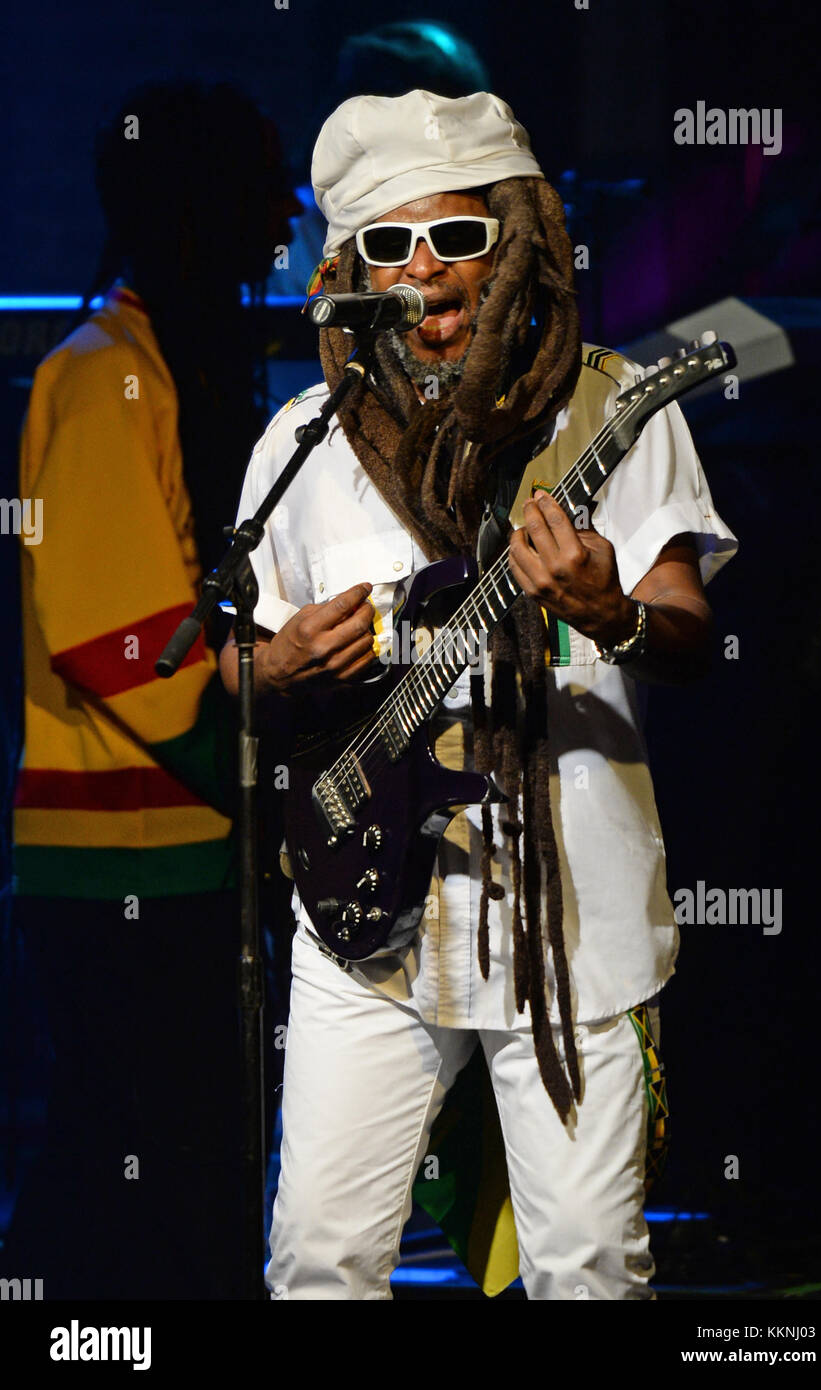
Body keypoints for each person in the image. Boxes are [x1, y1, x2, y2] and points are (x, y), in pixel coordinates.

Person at [220, 89, 738, 1300]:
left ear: (513, 250)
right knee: (316, 1259)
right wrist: (281, 664)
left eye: (459, 238)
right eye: (392, 244)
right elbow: (234, 669)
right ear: (350, 272)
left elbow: (689, 636)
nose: (429, 272)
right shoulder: (301, 443)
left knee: (586, 1270)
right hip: (365, 922)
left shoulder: (608, 409)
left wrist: (608, 611)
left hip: (571, 926)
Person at [6, 81, 295, 1299]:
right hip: (125, 850)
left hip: (173, 846)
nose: (274, 240)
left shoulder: (168, 367)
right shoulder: (103, 374)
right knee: (122, 1184)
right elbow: (116, 639)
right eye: (253, 207)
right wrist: (267, 723)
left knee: (172, 1176)